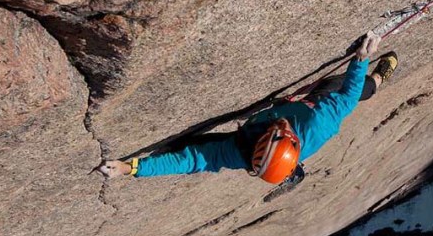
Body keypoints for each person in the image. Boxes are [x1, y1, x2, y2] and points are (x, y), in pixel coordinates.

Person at [98, 31, 397, 185]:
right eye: (278, 130)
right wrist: (360, 59)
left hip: (308, 108)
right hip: (314, 104)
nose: (279, 124)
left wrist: (130, 168)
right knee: (356, 91)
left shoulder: (241, 151)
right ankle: (378, 78)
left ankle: (378, 78)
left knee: (186, 148)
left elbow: (188, 162)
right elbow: (346, 95)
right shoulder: (319, 124)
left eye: (273, 130)